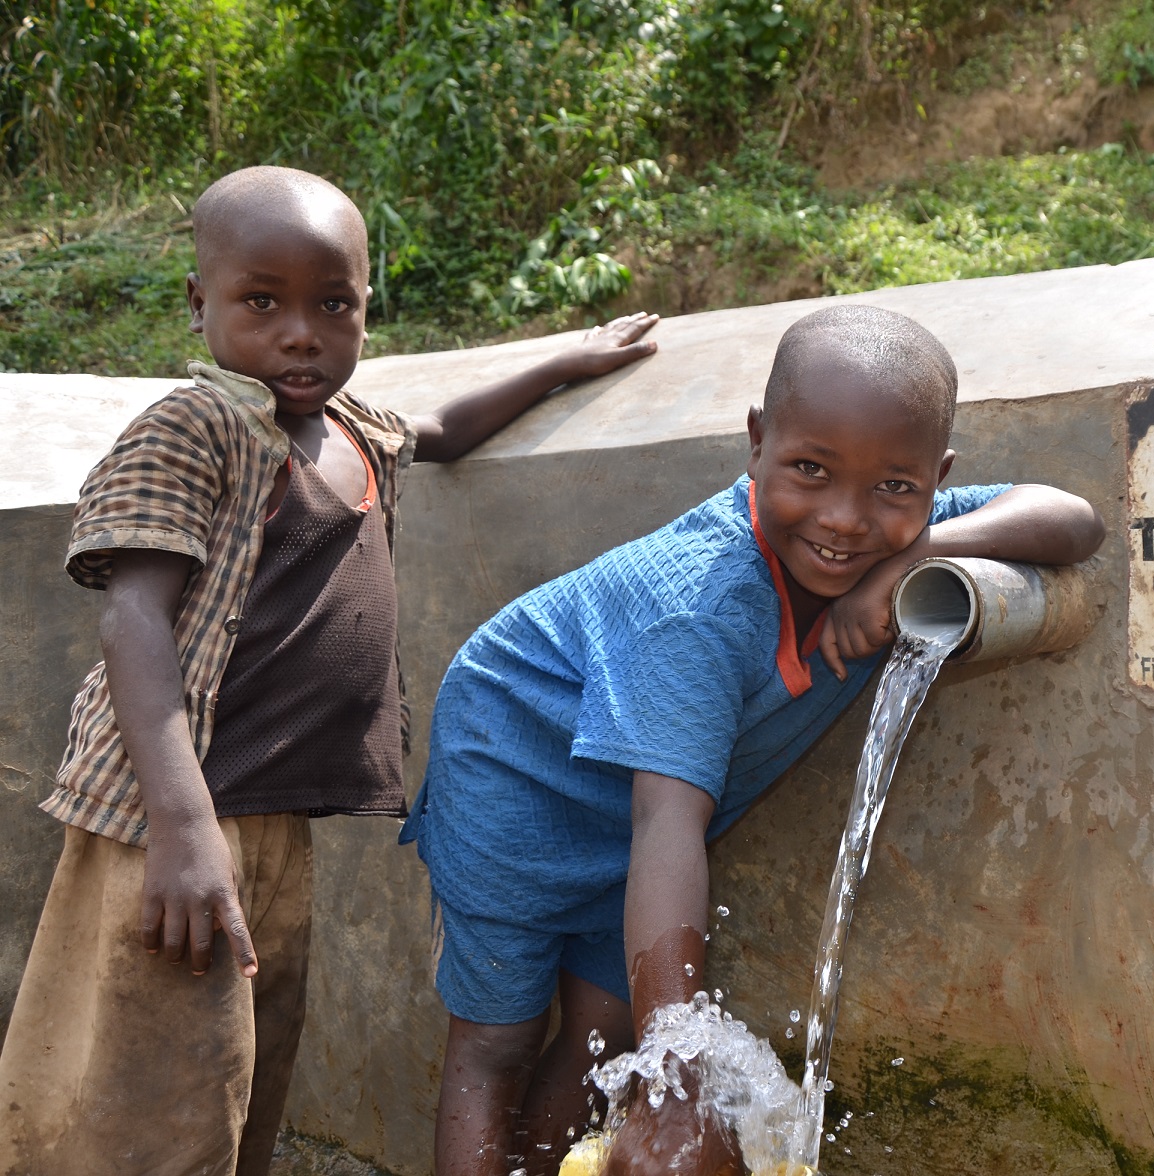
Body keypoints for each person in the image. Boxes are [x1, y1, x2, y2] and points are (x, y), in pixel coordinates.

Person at [0, 165, 660, 1176]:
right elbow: (132, 619)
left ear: (364, 307)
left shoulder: (354, 430)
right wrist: (181, 827)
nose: (301, 334)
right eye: (262, 302)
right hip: (168, 817)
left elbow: (445, 430)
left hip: (273, 815)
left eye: (333, 305)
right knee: (148, 1099)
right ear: (200, 304)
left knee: (240, 1082)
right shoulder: (194, 429)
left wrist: (564, 362)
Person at [406, 303, 1105, 1176]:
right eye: (809, 470)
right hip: (512, 774)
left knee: (600, 1035)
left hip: (646, 822)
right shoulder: (698, 606)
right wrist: (678, 1077)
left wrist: (911, 558)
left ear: (937, 479)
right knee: (498, 1040)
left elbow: (1071, 518)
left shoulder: (887, 542)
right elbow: (667, 821)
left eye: (894, 488)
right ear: (755, 443)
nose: (845, 519)